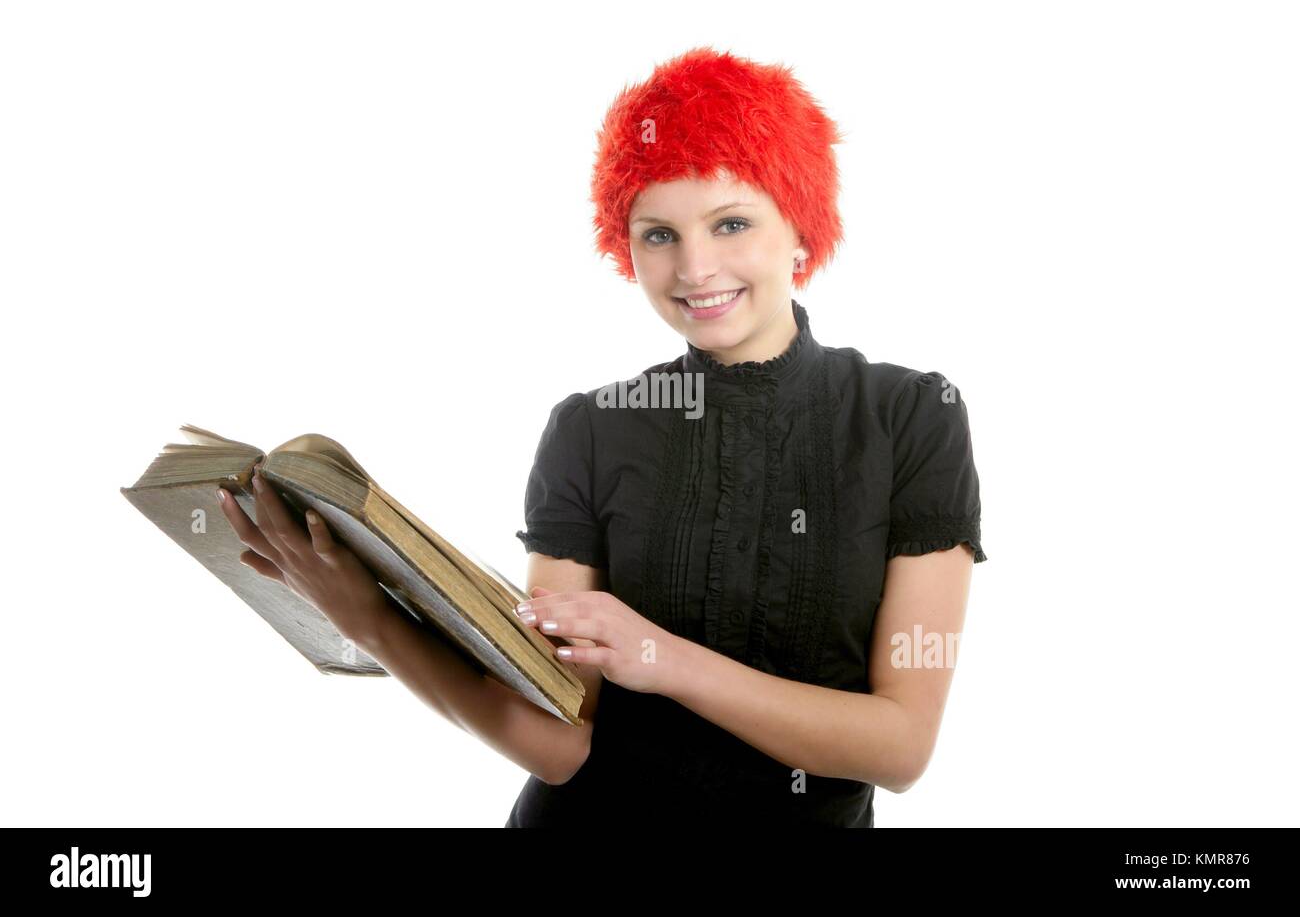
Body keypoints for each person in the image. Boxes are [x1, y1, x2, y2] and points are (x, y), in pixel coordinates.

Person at [217, 46, 987, 829]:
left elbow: (900, 746)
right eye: (659, 235)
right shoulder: (589, 428)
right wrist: (367, 621)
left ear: (800, 227)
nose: (695, 267)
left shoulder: (912, 416)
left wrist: (658, 656)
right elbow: (560, 743)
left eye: (731, 223)